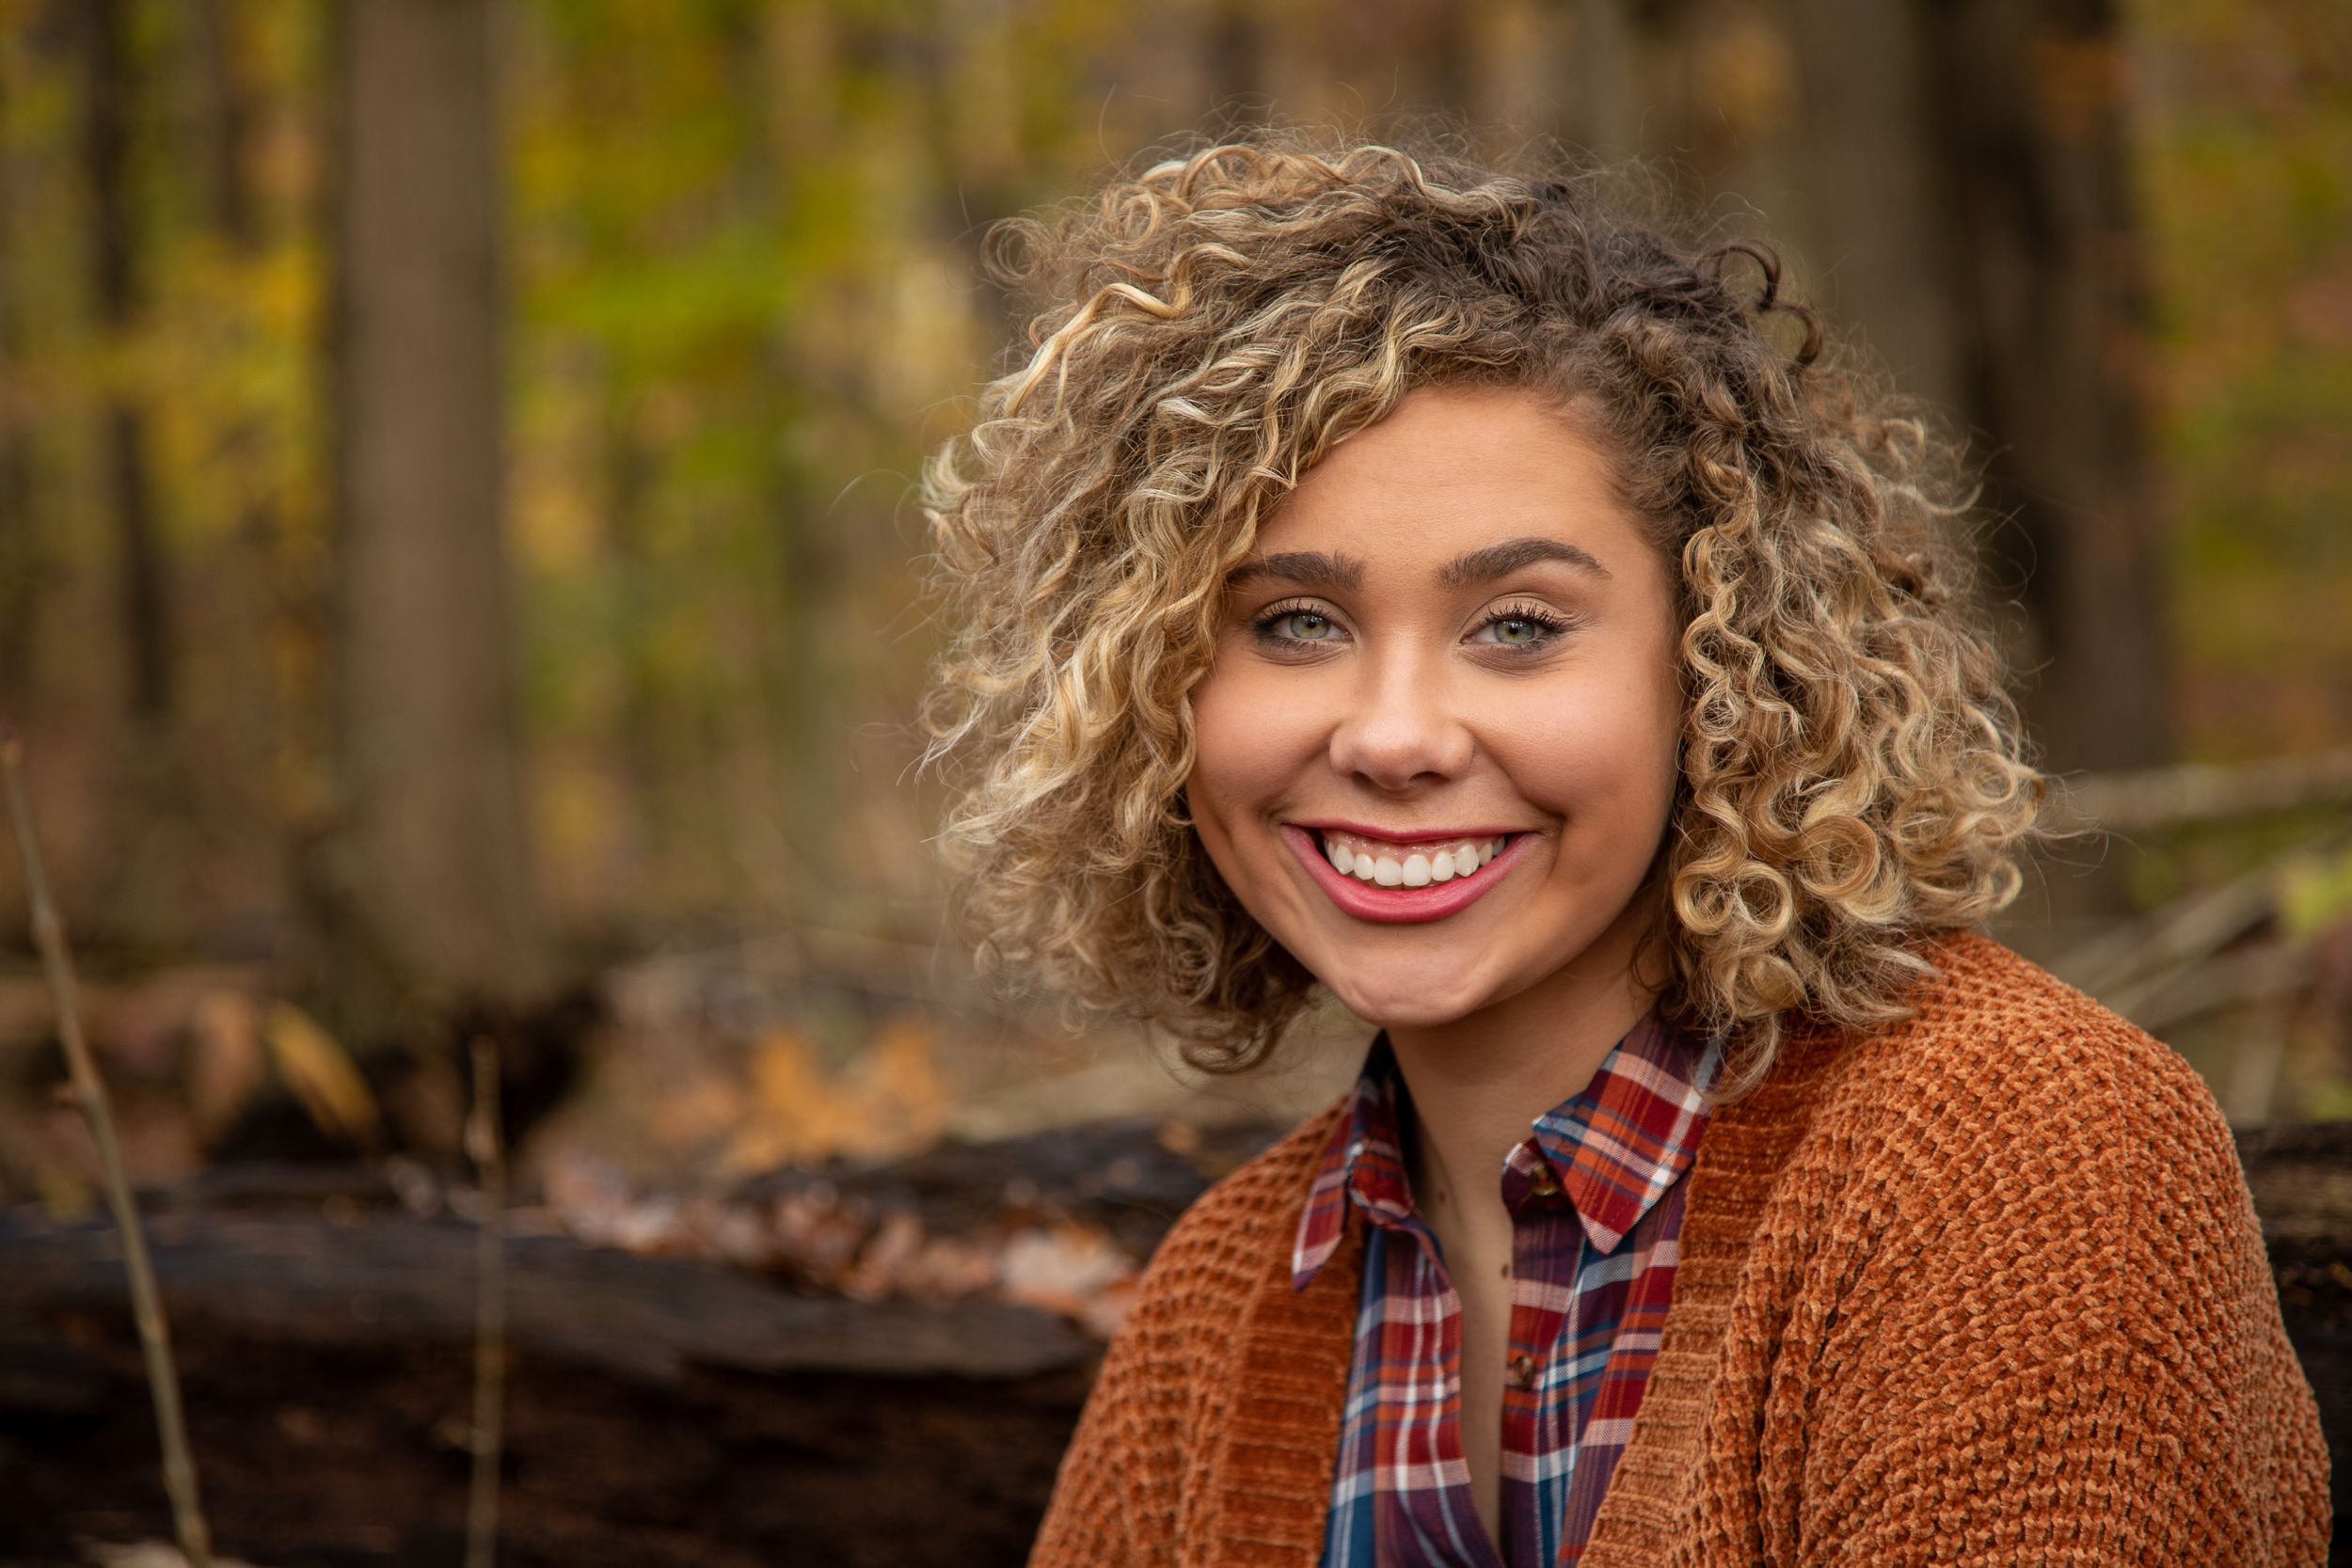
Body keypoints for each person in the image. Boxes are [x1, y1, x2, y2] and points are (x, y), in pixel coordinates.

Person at [918, 130, 2330, 1568]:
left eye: (1517, 628)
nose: (1395, 736)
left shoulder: (2016, 1162)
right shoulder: (1215, 1315)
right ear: (1155, 690)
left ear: (1720, 667)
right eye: (1294, 624)